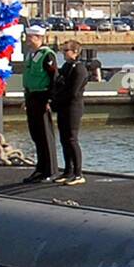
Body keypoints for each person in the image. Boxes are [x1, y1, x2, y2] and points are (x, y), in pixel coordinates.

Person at [21, 26, 60, 183]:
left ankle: (51, 170)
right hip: (32, 96)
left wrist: (50, 100)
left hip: (42, 97)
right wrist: (26, 98)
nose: (27, 40)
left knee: (45, 134)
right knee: (36, 135)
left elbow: (54, 78)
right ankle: (41, 168)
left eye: (30, 37)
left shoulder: (47, 55)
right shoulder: (31, 55)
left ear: (38, 38)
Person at [51, 39, 89, 185]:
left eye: (66, 50)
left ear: (75, 52)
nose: (63, 53)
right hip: (63, 107)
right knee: (64, 139)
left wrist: (56, 100)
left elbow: (72, 91)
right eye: (63, 50)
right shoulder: (67, 67)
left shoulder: (79, 69)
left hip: (73, 108)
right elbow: (59, 84)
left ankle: (78, 174)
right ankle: (68, 171)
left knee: (72, 139)